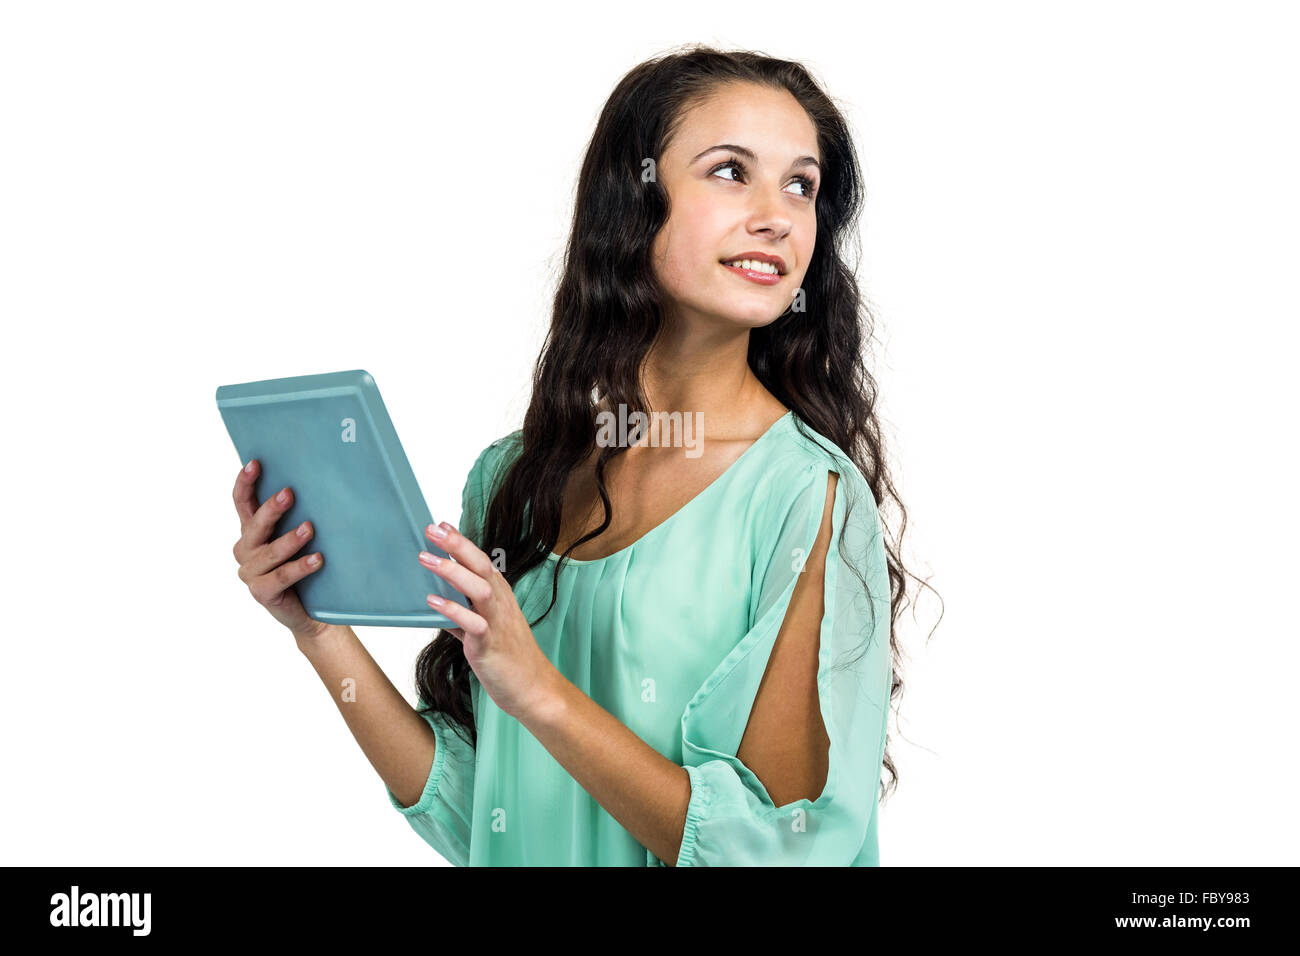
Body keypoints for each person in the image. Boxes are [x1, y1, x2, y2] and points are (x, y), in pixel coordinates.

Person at [230, 44, 915, 866]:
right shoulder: (515, 480)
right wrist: (319, 631)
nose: (776, 213)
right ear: (634, 199)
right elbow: (480, 814)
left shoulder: (806, 495)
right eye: (731, 171)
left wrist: (543, 695)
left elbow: (774, 852)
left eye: (800, 184)